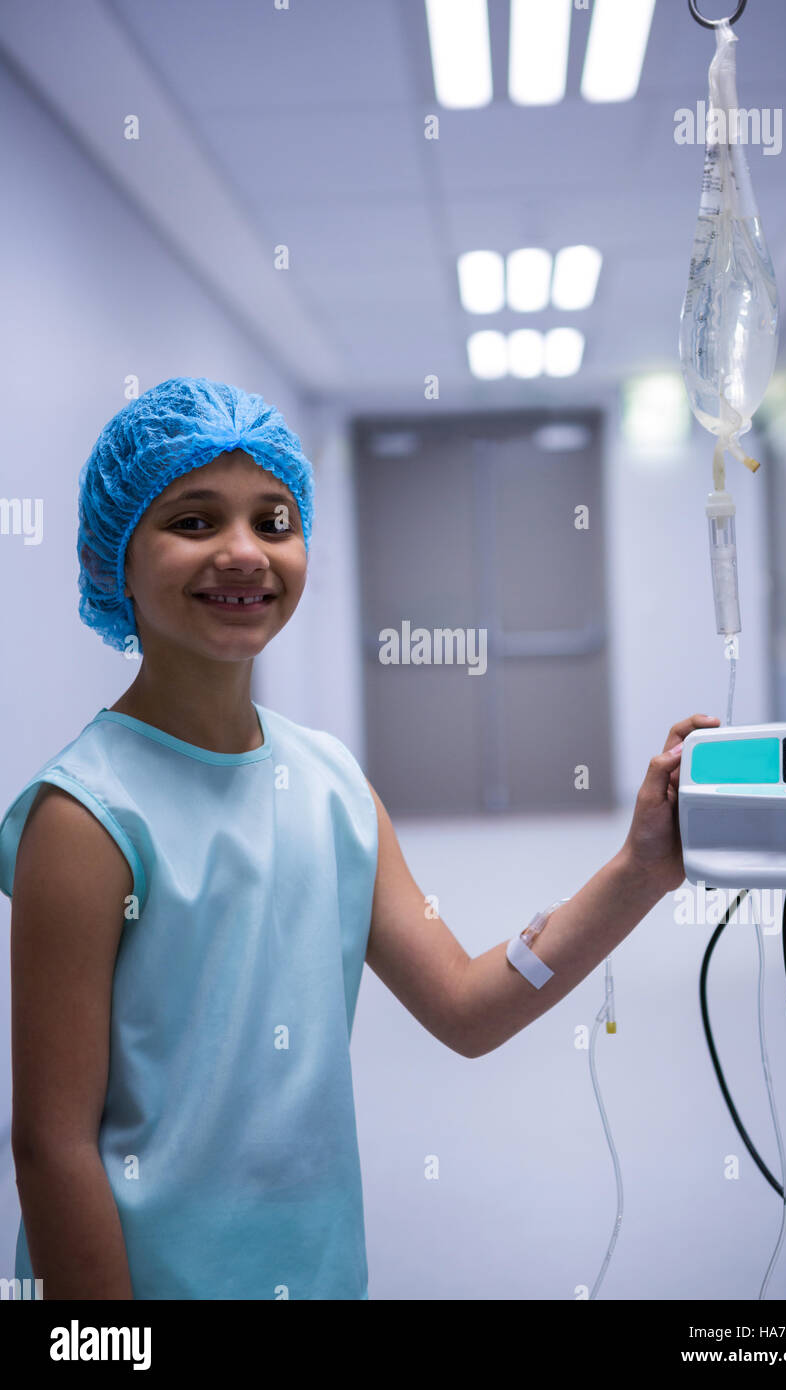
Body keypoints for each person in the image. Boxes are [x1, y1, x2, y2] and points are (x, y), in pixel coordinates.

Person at [0, 376, 719, 1300]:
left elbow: (467, 1005)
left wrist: (640, 870)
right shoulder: (86, 815)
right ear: (116, 560)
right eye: (192, 521)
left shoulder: (331, 784)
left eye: (273, 520)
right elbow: (51, 1146)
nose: (242, 553)